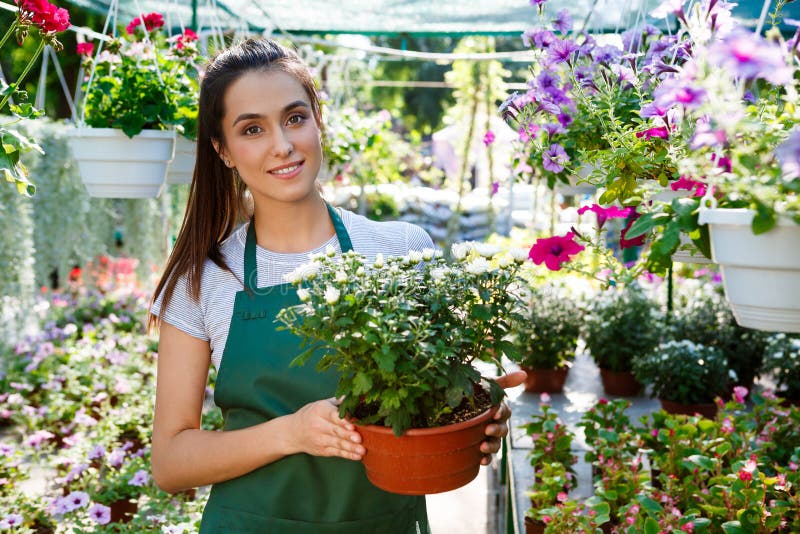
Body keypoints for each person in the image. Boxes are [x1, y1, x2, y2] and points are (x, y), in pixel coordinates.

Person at [148, 38, 525, 533]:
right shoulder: (206, 279)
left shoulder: (401, 249)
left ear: (318, 120)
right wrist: (293, 433)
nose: (282, 144)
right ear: (223, 151)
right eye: (253, 129)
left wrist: (474, 419)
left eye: (295, 118)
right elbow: (172, 462)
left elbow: (437, 405)